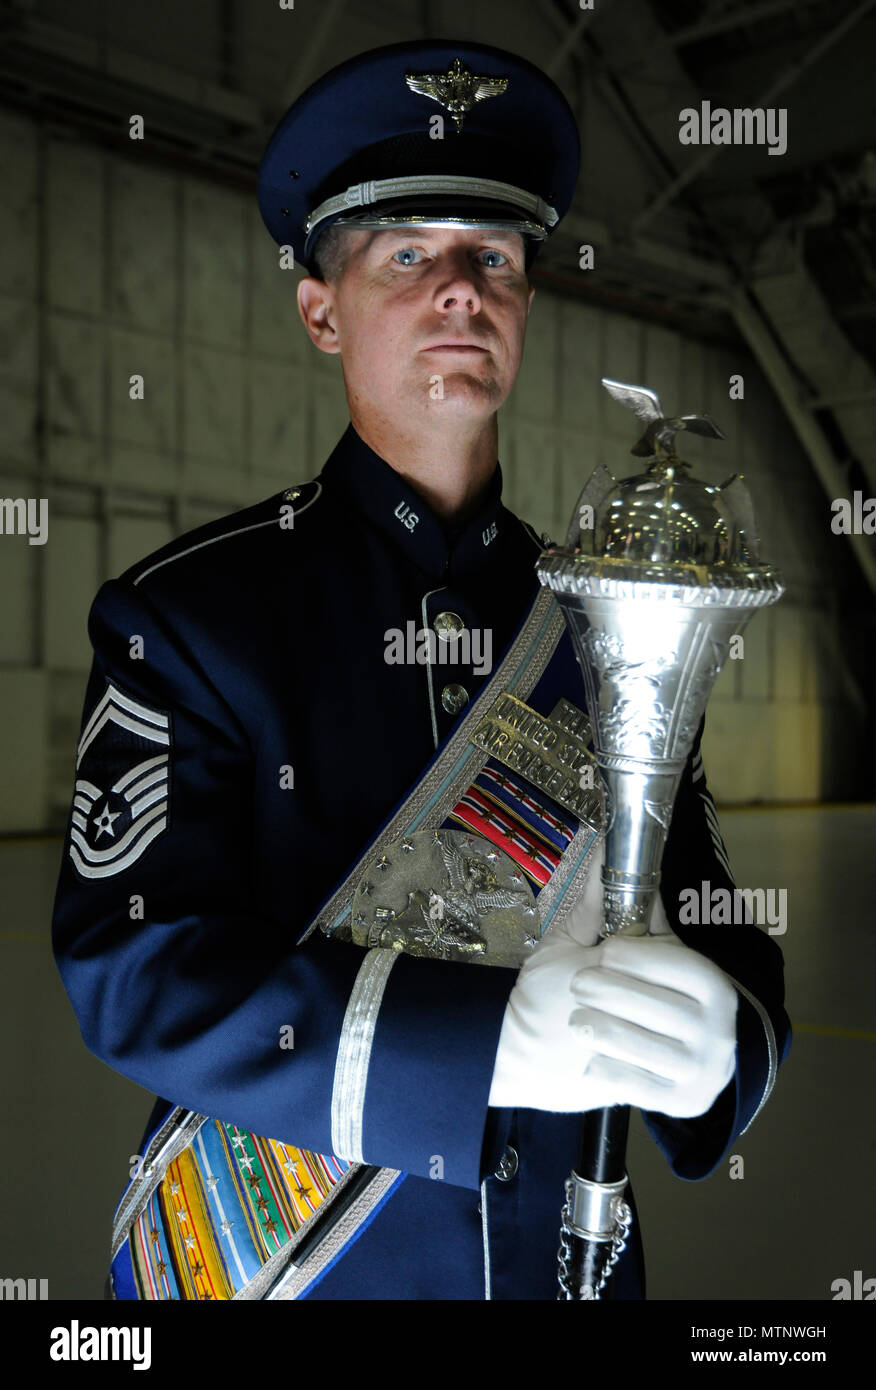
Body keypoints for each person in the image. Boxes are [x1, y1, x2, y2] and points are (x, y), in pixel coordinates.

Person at [51, 39, 791, 1302]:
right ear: (321, 308)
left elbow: (698, 892)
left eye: (493, 258)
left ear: (525, 302)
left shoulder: (610, 617)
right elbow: (137, 972)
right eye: (410, 256)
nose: (462, 290)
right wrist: (481, 1043)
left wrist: (726, 1033)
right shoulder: (191, 614)